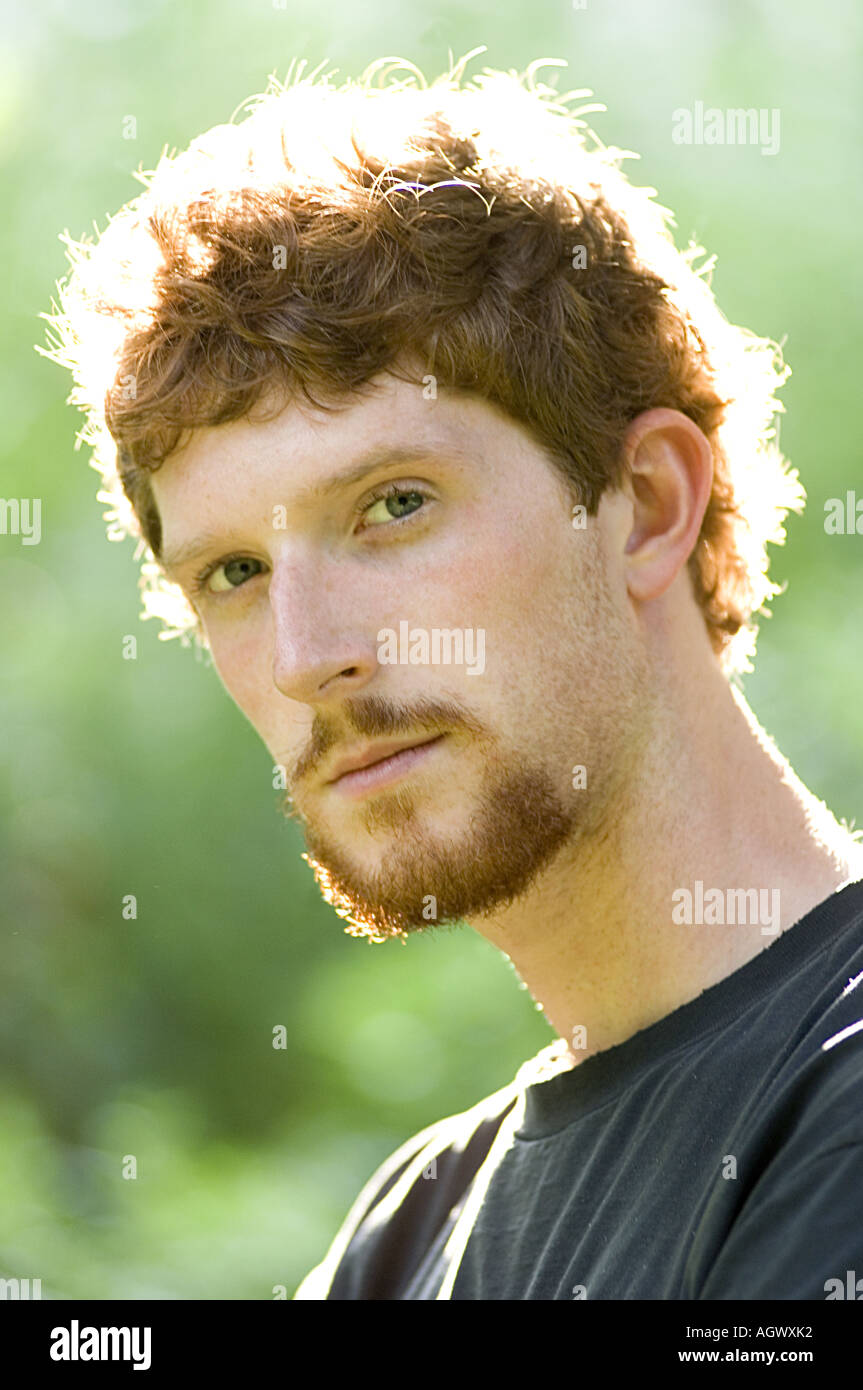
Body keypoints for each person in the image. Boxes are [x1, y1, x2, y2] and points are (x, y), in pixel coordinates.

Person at [42, 53, 863, 1300]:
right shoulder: (400, 1247)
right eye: (232, 573)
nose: (312, 654)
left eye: (392, 505)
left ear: (642, 505)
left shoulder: (833, 1095)